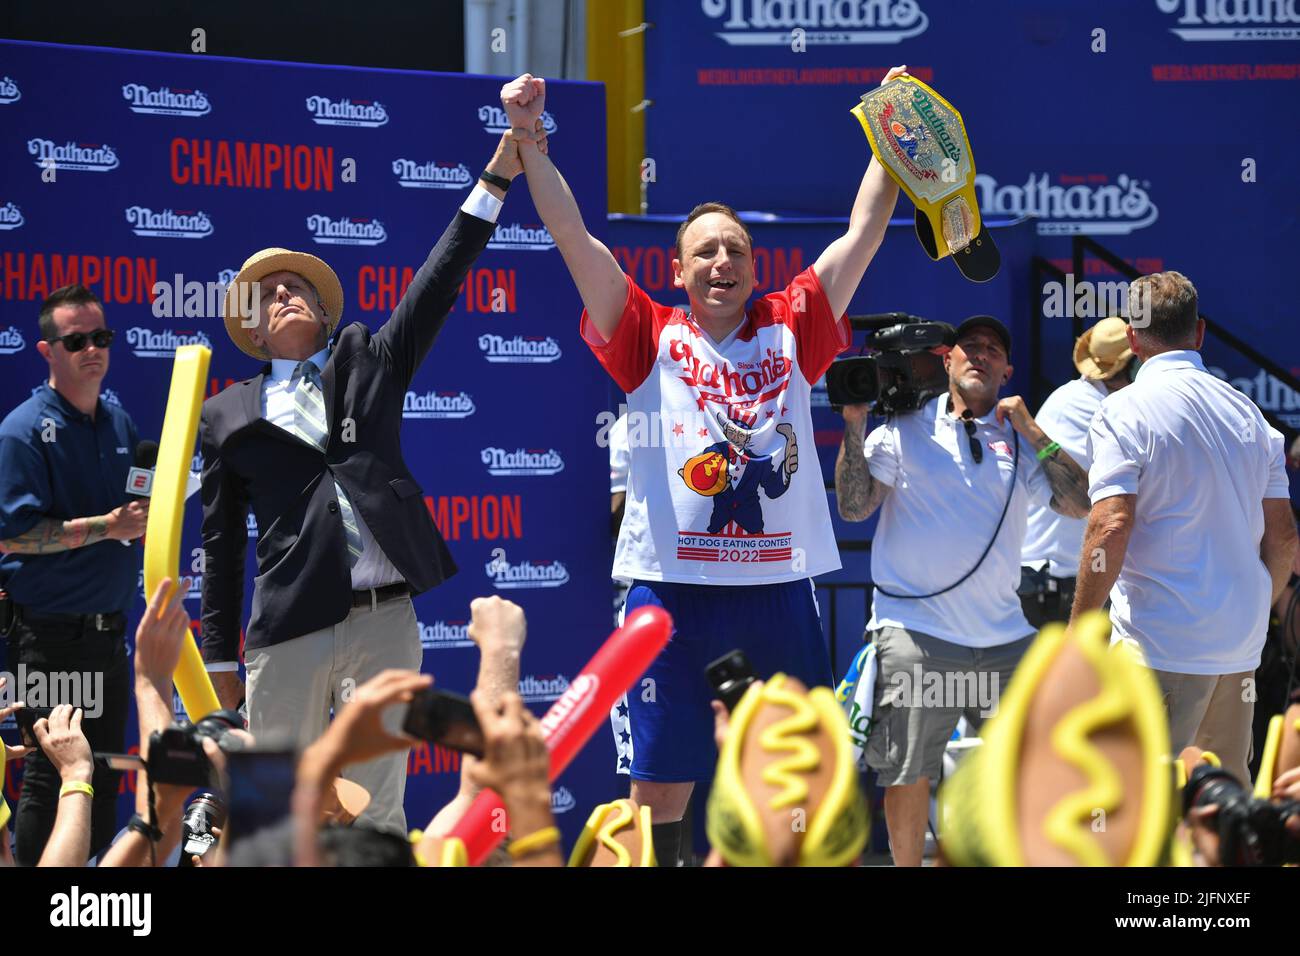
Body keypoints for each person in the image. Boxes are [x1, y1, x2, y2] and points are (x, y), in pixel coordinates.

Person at [500, 67, 908, 866]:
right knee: (656, 793)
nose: (722, 261)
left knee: (797, 781)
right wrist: (531, 143)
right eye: (704, 251)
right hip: (671, 597)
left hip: (778, 592)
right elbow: (573, 240)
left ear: (753, 266)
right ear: (680, 271)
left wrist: (893, 127)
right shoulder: (645, 331)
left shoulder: (796, 324)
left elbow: (864, 230)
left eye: (737, 250)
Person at [198, 126, 545, 836]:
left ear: (325, 316)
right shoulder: (223, 414)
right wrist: (215, 659)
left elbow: (438, 279)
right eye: (270, 295)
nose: (286, 295)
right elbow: (221, 542)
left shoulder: (366, 359)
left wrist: (499, 174)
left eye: (298, 288)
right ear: (255, 331)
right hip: (286, 626)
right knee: (274, 813)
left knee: (378, 811)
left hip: (386, 621)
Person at [835, 315, 1092, 866]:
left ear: (1008, 369)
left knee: (1036, 768)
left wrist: (1035, 432)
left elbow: (1080, 505)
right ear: (946, 360)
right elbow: (855, 507)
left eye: (993, 349)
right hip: (917, 635)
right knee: (908, 772)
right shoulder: (903, 429)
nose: (980, 354)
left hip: (1004, 640)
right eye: (968, 347)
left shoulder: (1021, 443)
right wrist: (855, 423)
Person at [1070, 271, 1298, 789]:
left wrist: (1077, 635)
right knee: (1226, 806)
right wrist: (1253, 605)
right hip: (1237, 643)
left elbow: (1110, 525)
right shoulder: (1251, 416)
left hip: (1160, 642)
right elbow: (1284, 541)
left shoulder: (1122, 410)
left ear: (1132, 338)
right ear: (1198, 333)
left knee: (1135, 804)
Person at [0, 284, 147, 865]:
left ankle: (91, 892)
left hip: (108, 631)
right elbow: (12, 534)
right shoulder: (23, 430)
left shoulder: (117, 421)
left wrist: (141, 518)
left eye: (101, 337)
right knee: (51, 772)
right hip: (50, 636)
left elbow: (126, 515)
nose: (93, 349)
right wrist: (107, 527)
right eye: (77, 340)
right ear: (47, 351)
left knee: (103, 772)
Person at [1020, 316, 1135, 626]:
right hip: (1057, 583)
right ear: (1131, 367)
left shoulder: (1099, 400)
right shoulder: (1086, 405)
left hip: (1071, 579)